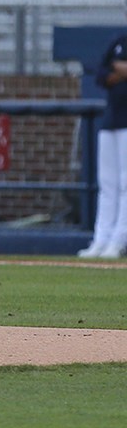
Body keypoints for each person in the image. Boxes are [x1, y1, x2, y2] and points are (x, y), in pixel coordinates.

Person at [79, 17, 127, 259]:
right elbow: (100, 74)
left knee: (126, 183)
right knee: (107, 183)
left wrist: (118, 69)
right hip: (111, 119)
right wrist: (119, 72)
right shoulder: (119, 41)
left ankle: (119, 239)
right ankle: (101, 238)